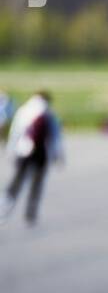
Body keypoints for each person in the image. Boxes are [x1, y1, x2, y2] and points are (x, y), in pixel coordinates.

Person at [2, 91, 64, 225]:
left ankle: (5, 207)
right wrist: (58, 155)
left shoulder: (24, 110)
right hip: (41, 153)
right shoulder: (49, 113)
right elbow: (56, 137)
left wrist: (11, 150)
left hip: (24, 151)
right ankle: (31, 213)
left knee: (17, 181)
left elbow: (16, 132)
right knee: (37, 183)